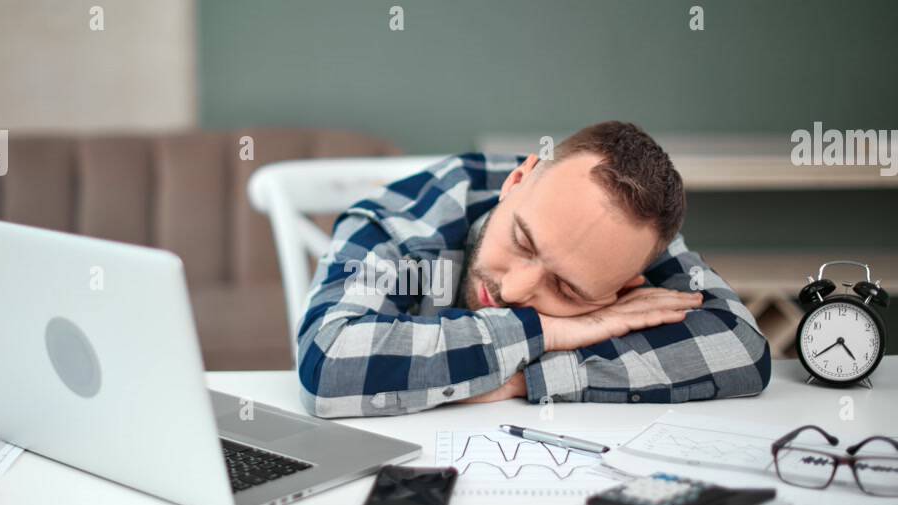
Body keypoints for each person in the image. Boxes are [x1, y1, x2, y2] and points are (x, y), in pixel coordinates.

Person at [297, 121, 770, 417]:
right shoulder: (403, 220)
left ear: (626, 284)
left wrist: (522, 381)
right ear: (517, 181)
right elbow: (328, 360)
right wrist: (547, 330)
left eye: (567, 288)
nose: (515, 291)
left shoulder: (628, 239)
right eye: (522, 240)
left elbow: (742, 346)